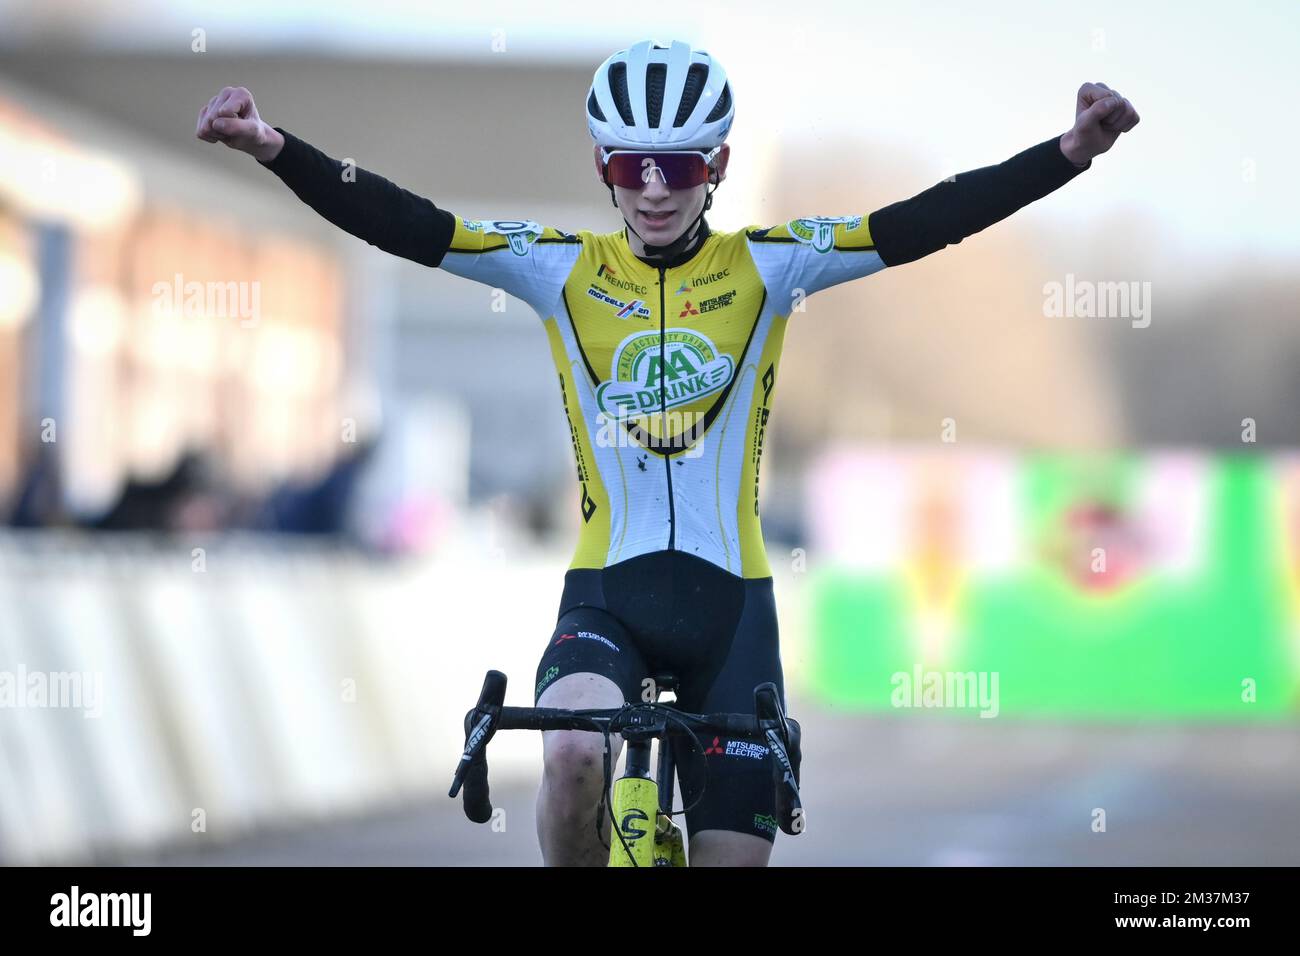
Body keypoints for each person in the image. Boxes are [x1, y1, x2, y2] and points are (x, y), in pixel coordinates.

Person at [195, 39, 1138, 866]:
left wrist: (1069, 154)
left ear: (718, 164)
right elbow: (408, 223)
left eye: (680, 167)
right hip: (610, 594)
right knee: (569, 756)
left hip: (733, 611)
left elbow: (926, 219)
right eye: (634, 162)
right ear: (602, 161)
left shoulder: (772, 265)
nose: (653, 186)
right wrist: (276, 149)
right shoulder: (556, 265)